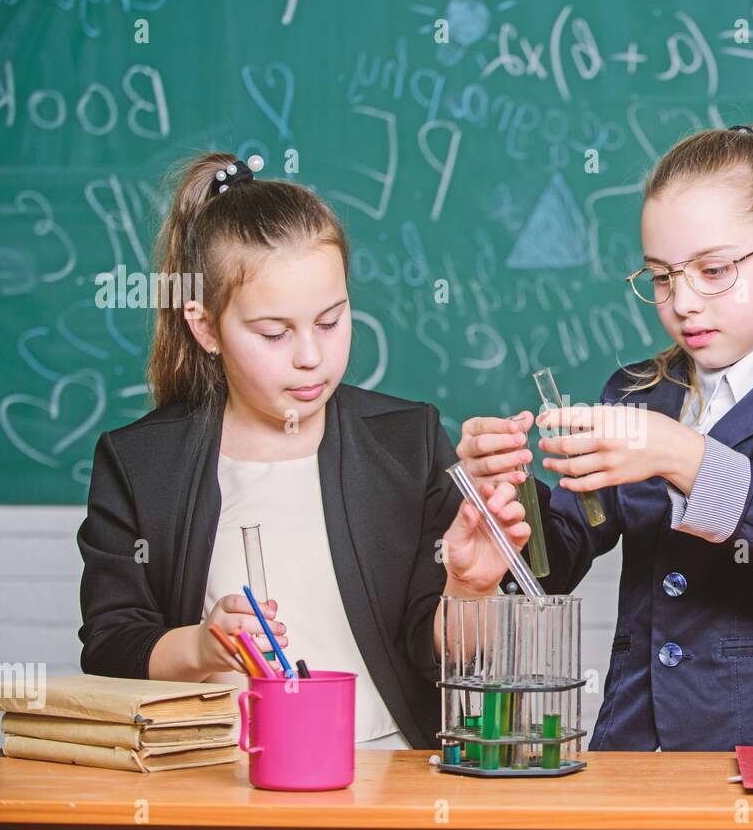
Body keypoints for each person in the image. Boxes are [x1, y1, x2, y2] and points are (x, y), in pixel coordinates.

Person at [456, 125, 753, 750]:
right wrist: (509, 498)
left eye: (713, 270)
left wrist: (681, 454)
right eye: (662, 277)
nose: (682, 302)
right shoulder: (638, 391)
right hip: (636, 749)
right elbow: (554, 564)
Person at [77, 152, 528, 749]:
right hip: (218, 778)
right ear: (205, 327)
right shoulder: (140, 463)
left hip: (387, 774)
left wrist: (468, 594)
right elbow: (111, 644)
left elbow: (434, 650)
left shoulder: (407, 440)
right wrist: (201, 645)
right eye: (273, 333)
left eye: (331, 321)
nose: (311, 357)